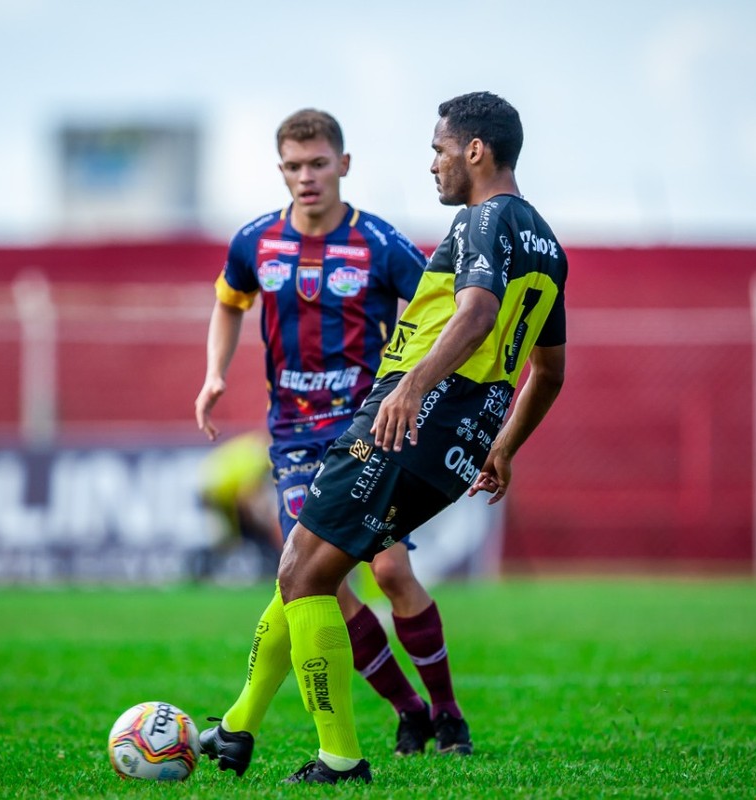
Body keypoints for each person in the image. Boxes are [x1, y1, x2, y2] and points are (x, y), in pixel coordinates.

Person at [213, 91, 569, 784]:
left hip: (409, 422)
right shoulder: (548, 245)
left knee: (300, 574)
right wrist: (503, 446)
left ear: (475, 151)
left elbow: (474, 314)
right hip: (460, 442)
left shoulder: (481, 220)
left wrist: (411, 386)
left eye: (439, 149)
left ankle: (339, 757)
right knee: (310, 563)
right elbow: (548, 372)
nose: (433, 164)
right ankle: (239, 727)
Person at [193, 109, 470, 772]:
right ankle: (404, 712)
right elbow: (230, 304)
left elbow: (443, 304)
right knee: (320, 586)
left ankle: (447, 714)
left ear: (343, 165)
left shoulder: (378, 243)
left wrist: (419, 385)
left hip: (367, 431)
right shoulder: (255, 242)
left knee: (392, 570)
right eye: (293, 166)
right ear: (280, 170)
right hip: (292, 439)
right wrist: (213, 374)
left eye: (318, 163)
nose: (306, 177)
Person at [194, 430, 281, 579]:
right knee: (239, 535)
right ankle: (204, 568)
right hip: (218, 495)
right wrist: (258, 524)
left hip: (210, 489)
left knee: (226, 538)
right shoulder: (262, 459)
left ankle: (203, 569)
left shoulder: (251, 446)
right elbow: (245, 497)